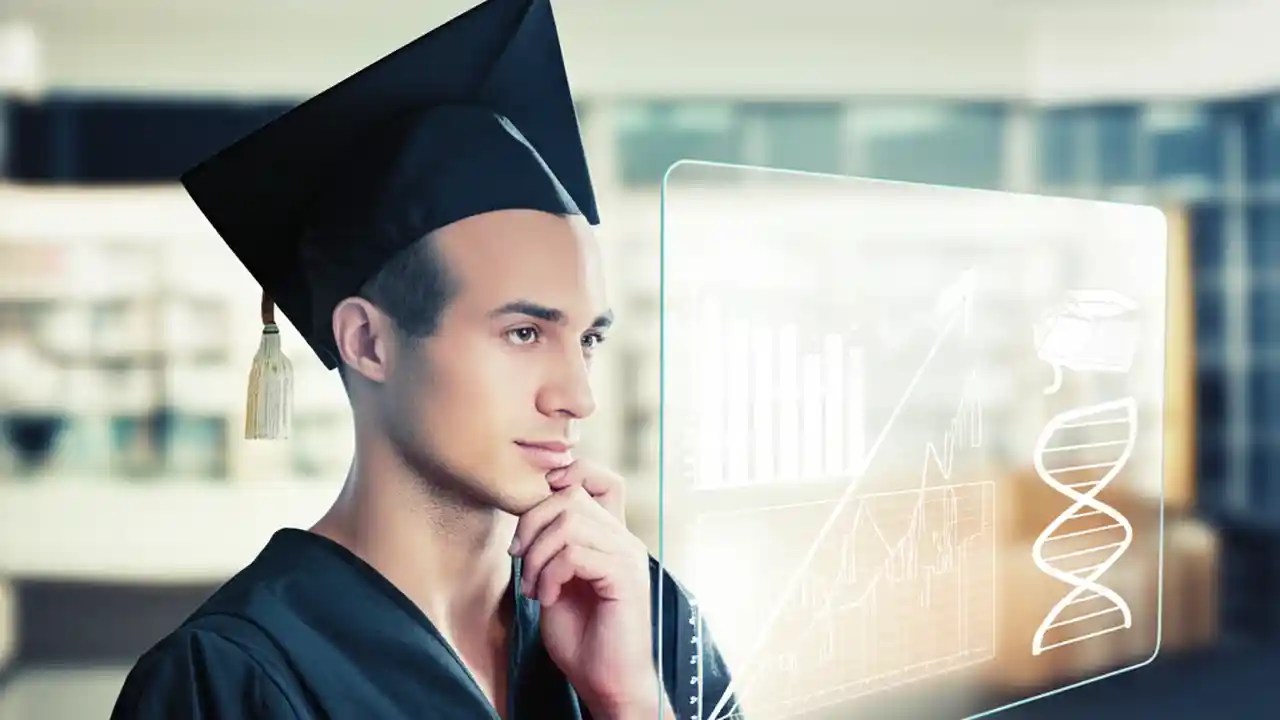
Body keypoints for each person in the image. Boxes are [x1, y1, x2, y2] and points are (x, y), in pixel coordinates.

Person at [108, 1, 740, 718]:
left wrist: (627, 703)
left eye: (588, 339)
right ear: (368, 342)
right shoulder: (231, 678)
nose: (577, 396)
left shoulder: (646, 619)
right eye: (525, 334)